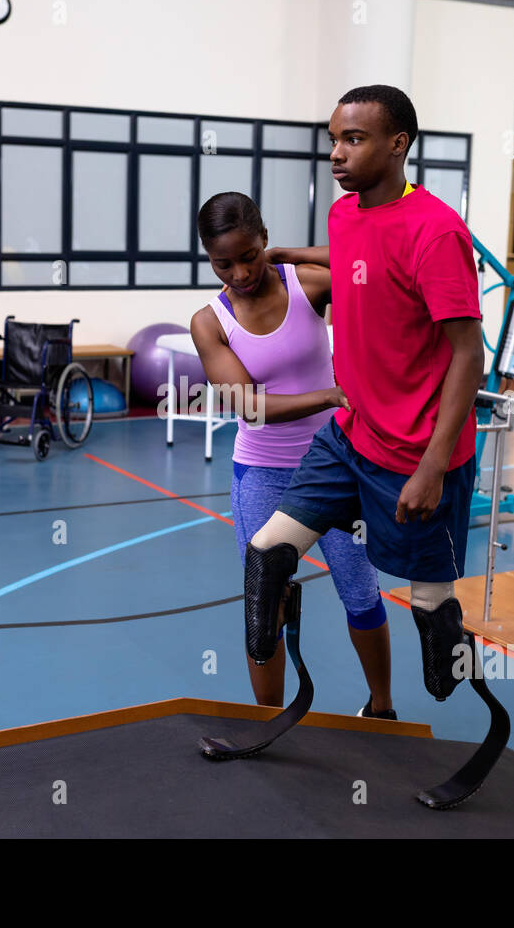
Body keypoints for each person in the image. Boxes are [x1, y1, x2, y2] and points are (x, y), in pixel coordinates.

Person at [253, 83, 487, 719]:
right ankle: (278, 703)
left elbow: (470, 355)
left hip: (417, 450)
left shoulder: (438, 232)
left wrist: (433, 467)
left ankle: (441, 662)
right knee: (266, 556)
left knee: (434, 626)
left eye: (353, 139)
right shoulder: (344, 212)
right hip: (350, 433)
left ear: (397, 144)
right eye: (333, 139)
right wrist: (288, 255)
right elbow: (360, 257)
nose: (336, 153)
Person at [189, 191, 397, 719]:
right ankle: (270, 721)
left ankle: (381, 706)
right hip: (262, 475)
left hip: (335, 468)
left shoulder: (306, 286)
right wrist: (330, 396)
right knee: (265, 605)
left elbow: (366, 264)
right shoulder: (210, 322)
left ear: (265, 240)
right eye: (223, 262)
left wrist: (292, 254)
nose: (238, 272)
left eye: (250, 255)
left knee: (360, 590)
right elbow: (246, 405)